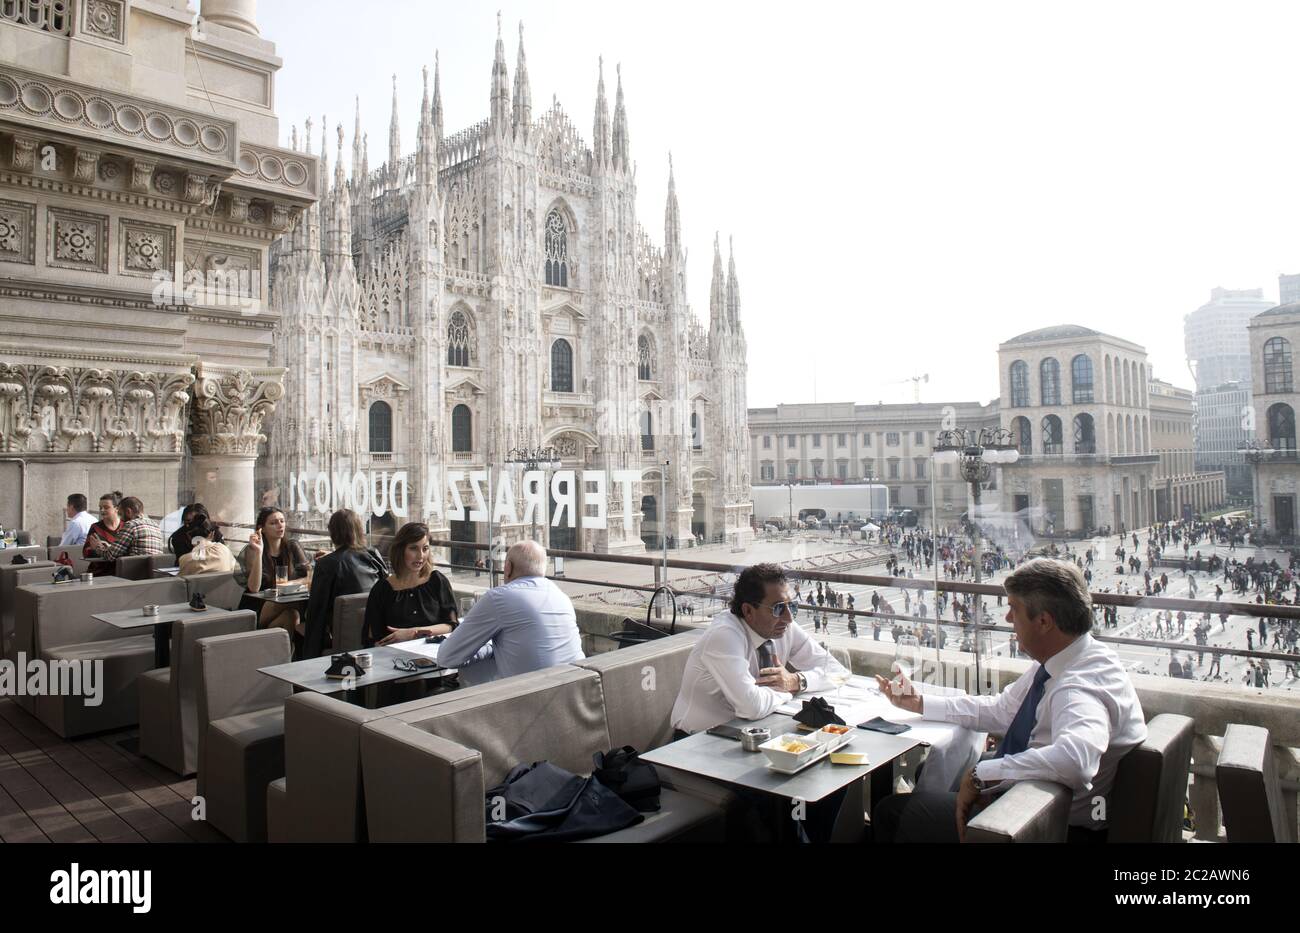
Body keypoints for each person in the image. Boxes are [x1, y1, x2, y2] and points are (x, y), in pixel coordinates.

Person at [872, 558, 1147, 843]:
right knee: (925, 771)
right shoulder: (1071, 657)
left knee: (890, 812)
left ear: (1043, 621)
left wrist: (982, 774)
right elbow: (1003, 711)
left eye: (1013, 609)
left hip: (1039, 822)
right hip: (1037, 802)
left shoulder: (1076, 687)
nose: (1007, 619)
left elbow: (1076, 761)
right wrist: (920, 704)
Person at [670, 562, 847, 735]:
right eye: (778, 608)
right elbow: (751, 707)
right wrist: (786, 691)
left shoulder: (783, 626)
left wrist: (796, 681)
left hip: (756, 731)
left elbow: (837, 671)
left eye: (791, 605)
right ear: (748, 611)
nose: (789, 618)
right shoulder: (724, 635)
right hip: (700, 741)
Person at [436, 540, 583, 684]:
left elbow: (446, 657)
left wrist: (488, 649)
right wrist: (493, 649)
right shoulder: (561, 595)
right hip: (577, 691)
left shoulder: (499, 597)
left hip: (533, 700)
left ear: (508, 567)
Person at [302, 509, 387, 658]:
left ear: (332, 532)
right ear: (360, 530)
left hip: (340, 637)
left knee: (300, 625)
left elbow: (316, 612)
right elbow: (385, 588)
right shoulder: (373, 555)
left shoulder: (327, 565)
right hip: (373, 634)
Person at [370, 522, 459, 647]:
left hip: (435, 653)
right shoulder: (382, 589)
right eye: (413, 548)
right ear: (400, 550)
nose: (420, 556)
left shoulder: (437, 581)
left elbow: (452, 625)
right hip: (396, 658)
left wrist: (414, 632)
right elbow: (373, 639)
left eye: (425, 548)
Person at [237, 507, 310, 636]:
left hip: (285, 602)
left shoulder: (292, 546)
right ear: (262, 529)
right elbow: (254, 588)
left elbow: (308, 576)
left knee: (292, 616)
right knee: (288, 604)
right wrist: (259, 552)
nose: (279, 525)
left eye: (282, 521)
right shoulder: (252, 550)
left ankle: (290, 655)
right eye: (273, 523)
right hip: (259, 607)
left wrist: (287, 586)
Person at [86, 496, 163, 560]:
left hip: (134, 572)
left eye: (121, 514)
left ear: (128, 511)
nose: (121, 518)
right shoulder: (155, 524)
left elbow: (111, 556)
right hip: (153, 572)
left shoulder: (131, 525)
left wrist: (98, 547)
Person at [83, 491, 124, 577]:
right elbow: (87, 552)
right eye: (100, 507)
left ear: (117, 508)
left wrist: (105, 547)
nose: (102, 510)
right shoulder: (95, 527)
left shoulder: (126, 526)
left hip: (122, 572)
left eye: (106, 507)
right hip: (99, 573)